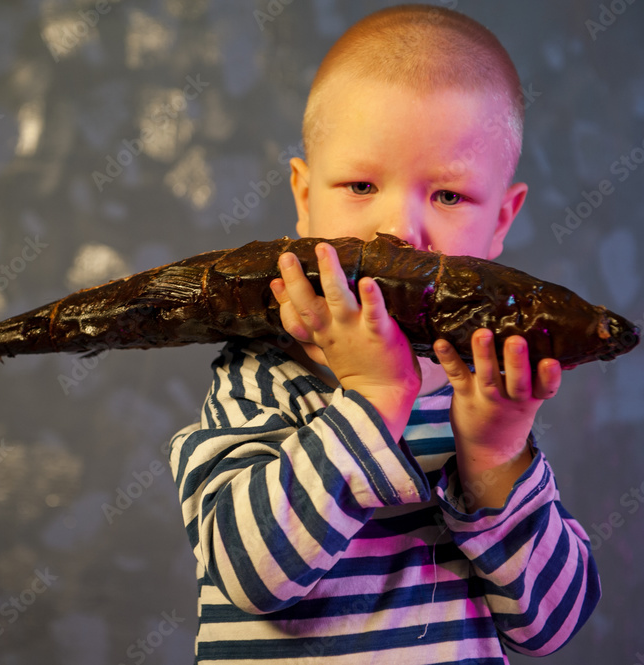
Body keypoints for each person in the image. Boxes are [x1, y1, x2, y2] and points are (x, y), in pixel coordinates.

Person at [168, 4, 600, 663]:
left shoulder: (484, 394)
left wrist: (494, 459)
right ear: (304, 198)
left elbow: (551, 625)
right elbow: (252, 577)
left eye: (448, 196)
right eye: (362, 185)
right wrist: (373, 399)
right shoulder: (258, 378)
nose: (399, 230)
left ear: (501, 219)